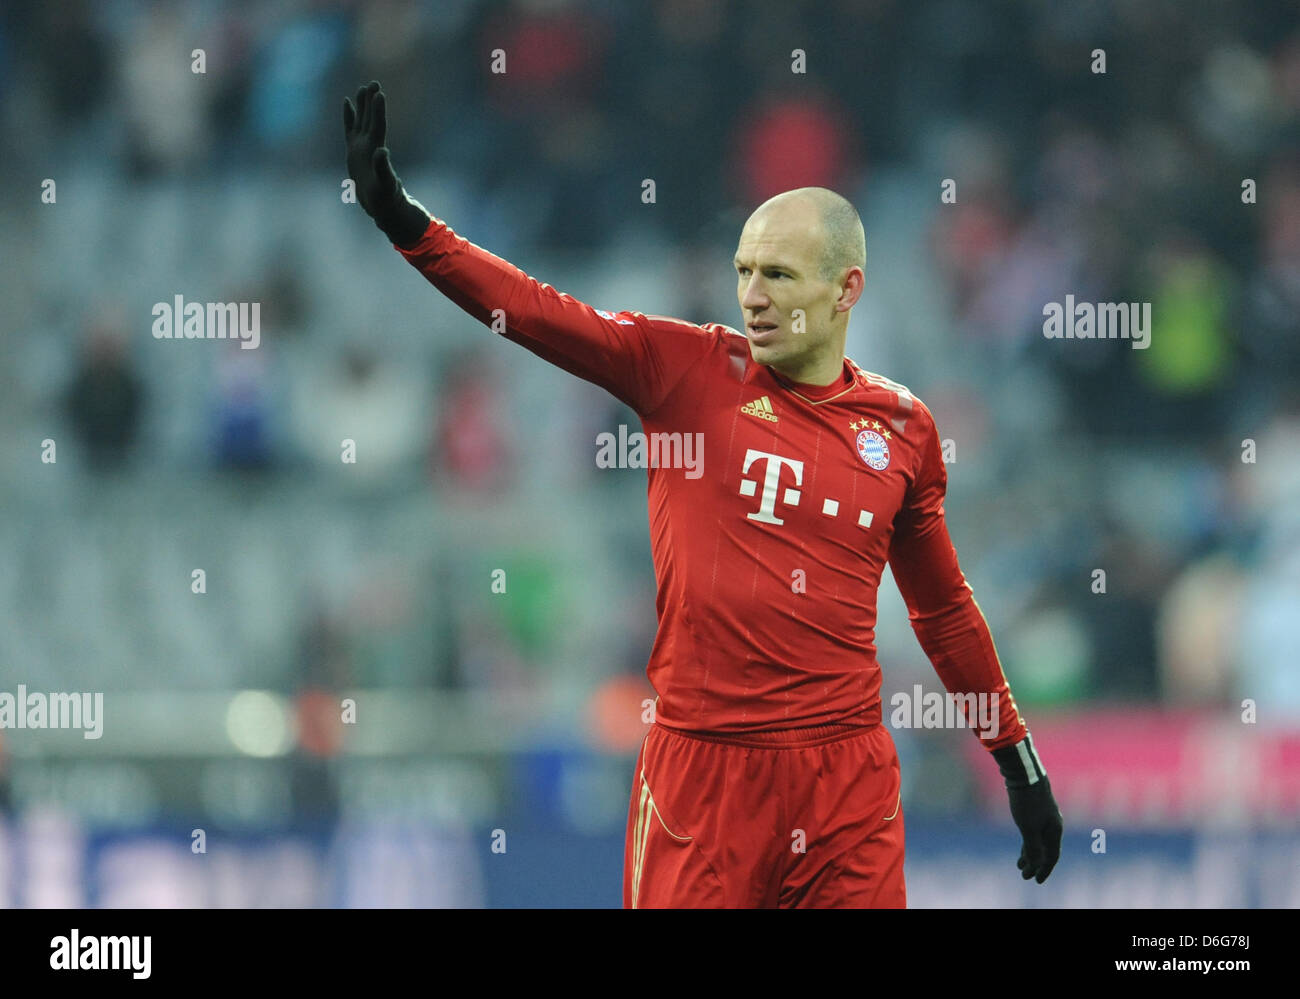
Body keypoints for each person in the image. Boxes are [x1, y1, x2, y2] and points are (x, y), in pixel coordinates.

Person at [343, 81, 1063, 908]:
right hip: (703, 772)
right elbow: (533, 311)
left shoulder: (902, 429)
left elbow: (943, 611)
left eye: (779, 274)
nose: (752, 294)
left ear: (846, 290)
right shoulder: (683, 369)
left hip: (846, 779)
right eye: (744, 271)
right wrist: (405, 222)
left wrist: (1015, 757)